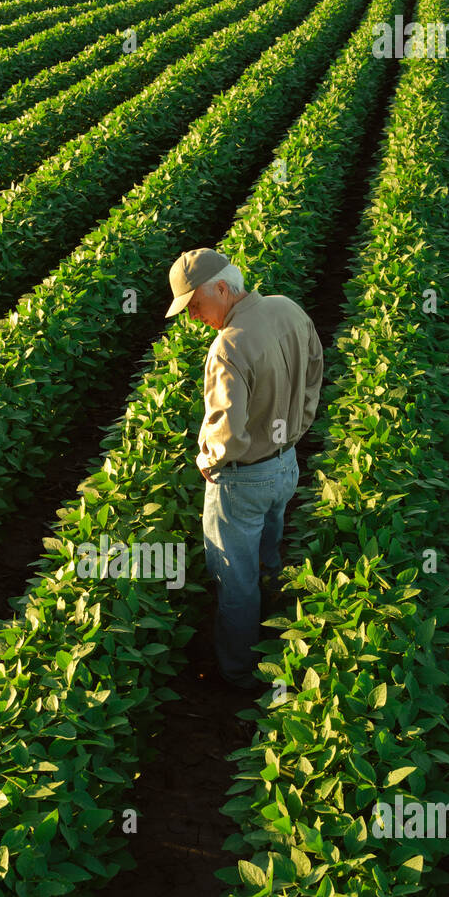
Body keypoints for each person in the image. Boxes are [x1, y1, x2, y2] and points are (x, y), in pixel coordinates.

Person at [165, 247, 324, 690]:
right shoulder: (288, 310)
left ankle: (238, 674)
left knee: (234, 584)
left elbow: (227, 433)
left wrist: (205, 460)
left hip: (242, 480)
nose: (195, 317)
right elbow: (314, 377)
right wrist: (295, 430)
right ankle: (277, 641)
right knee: (269, 559)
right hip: (285, 466)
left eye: (195, 306)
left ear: (221, 288)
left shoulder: (227, 346)